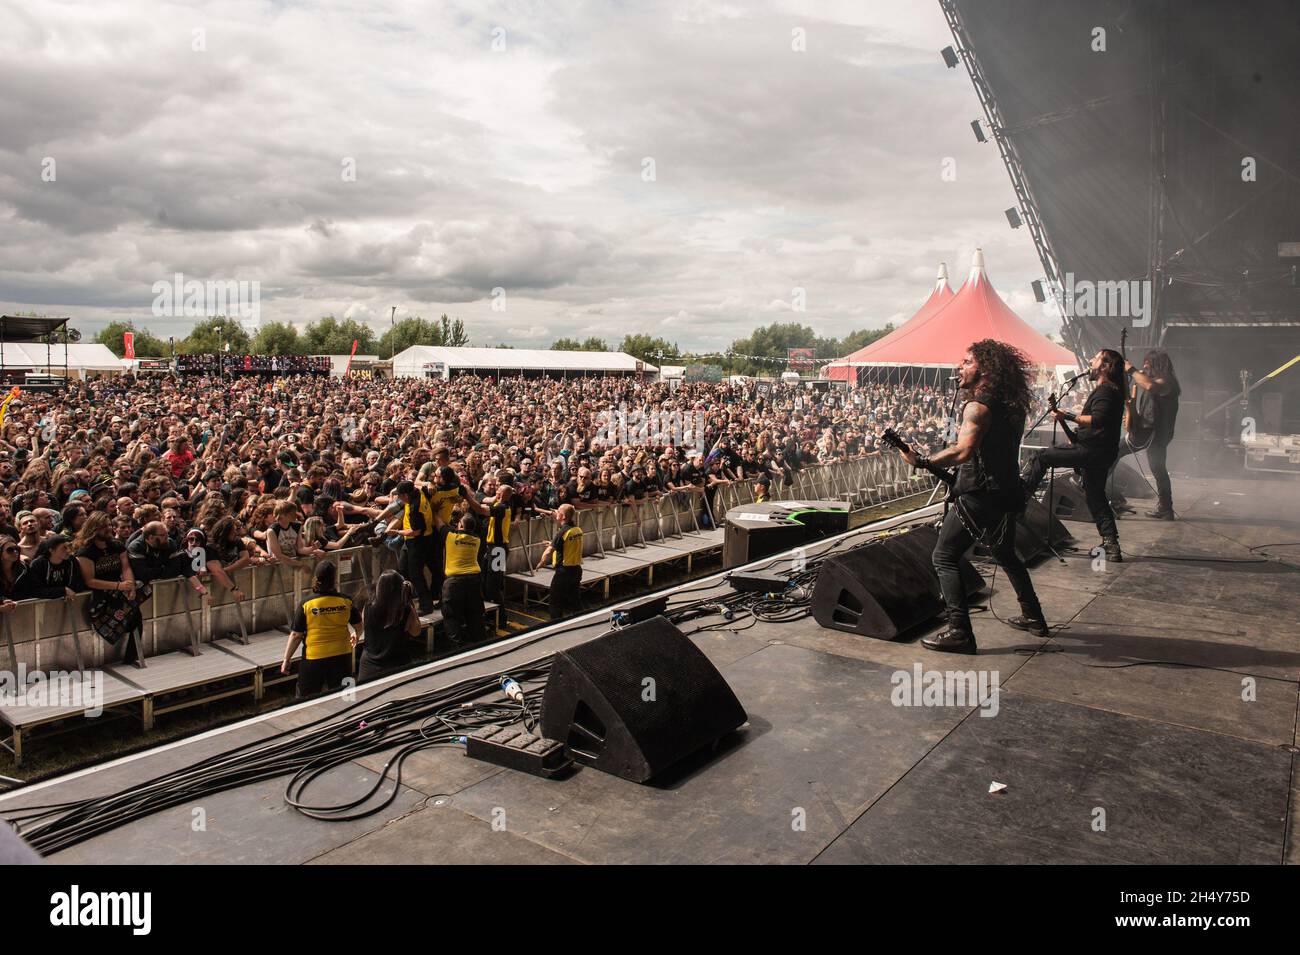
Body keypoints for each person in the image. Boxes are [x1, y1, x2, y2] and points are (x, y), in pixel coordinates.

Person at [894, 340, 1047, 655]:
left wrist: (922, 461)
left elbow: (963, 451)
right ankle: (1034, 616)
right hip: (1008, 491)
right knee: (1005, 554)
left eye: (966, 362)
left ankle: (960, 632)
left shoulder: (977, 406)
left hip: (981, 494)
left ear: (985, 369)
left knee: (944, 556)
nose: (958, 367)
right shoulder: (1012, 404)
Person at [1021, 348, 1126, 563]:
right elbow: (1083, 434)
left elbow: (1098, 420)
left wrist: (1067, 414)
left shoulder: (1106, 391)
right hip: (1098, 452)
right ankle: (1111, 544)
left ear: (1105, 366)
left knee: (1041, 457)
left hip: (1093, 452)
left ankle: (1018, 503)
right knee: (1095, 496)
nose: (1090, 361)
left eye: (1095, 358)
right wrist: (1061, 419)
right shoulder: (1109, 390)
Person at [74, 511, 149, 664]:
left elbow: (126, 568)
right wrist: (118, 586)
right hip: (101, 594)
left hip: (120, 589)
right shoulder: (85, 552)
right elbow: (90, 580)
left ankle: (131, 657)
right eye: (104, 526)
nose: (108, 529)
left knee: (136, 616)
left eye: (109, 525)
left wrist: (130, 587)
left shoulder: (116, 545)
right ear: (94, 529)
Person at [280, 561, 360, 698]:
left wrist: (287, 660)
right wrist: (355, 635)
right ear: (334, 580)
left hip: (314, 658)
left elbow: (295, 635)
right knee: (346, 697)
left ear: (316, 579)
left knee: (305, 699)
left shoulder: (306, 604)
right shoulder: (346, 601)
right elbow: (359, 625)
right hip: (342, 656)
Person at [1120, 349, 1180, 519]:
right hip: (1153, 433)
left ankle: (1099, 493)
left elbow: (1150, 385)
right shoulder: (1161, 381)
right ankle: (1165, 508)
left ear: (1158, 365)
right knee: (1158, 469)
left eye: (1148, 363)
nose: (1145, 366)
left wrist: (1132, 369)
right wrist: (1132, 418)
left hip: (1153, 434)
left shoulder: (1167, 382)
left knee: (1114, 451)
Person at [357, 570, 419, 683]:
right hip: (397, 667)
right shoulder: (404, 610)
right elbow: (416, 631)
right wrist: (409, 600)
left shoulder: (368, 606)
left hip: (368, 668)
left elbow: (364, 626)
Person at [435, 508, 486, 645]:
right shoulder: (477, 540)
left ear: (461, 526)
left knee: (451, 616)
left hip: (454, 583)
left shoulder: (451, 537)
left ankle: (457, 648)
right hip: (474, 581)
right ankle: (480, 645)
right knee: (474, 615)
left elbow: (439, 523)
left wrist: (435, 510)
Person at [537, 503, 583, 618]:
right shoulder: (577, 529)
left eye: (558, 511)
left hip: (564, 571)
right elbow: (568, 544)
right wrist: (552, 543)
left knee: (555, 600)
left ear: (562, 516)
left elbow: (549, 551)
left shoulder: (562, 532)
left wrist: (541, 562)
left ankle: (555, 623)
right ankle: (580, 619)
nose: (555, 513)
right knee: (574, 600)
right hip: (576, 570)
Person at [14, 533, 78, 601]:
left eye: (69, 547)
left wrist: (69, 591)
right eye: (64, 548)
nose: (68, 551)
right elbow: (36, 591)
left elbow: (78, 583)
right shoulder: (38, 564)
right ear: (51, 550)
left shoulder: (71, 561)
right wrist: (63, 591)